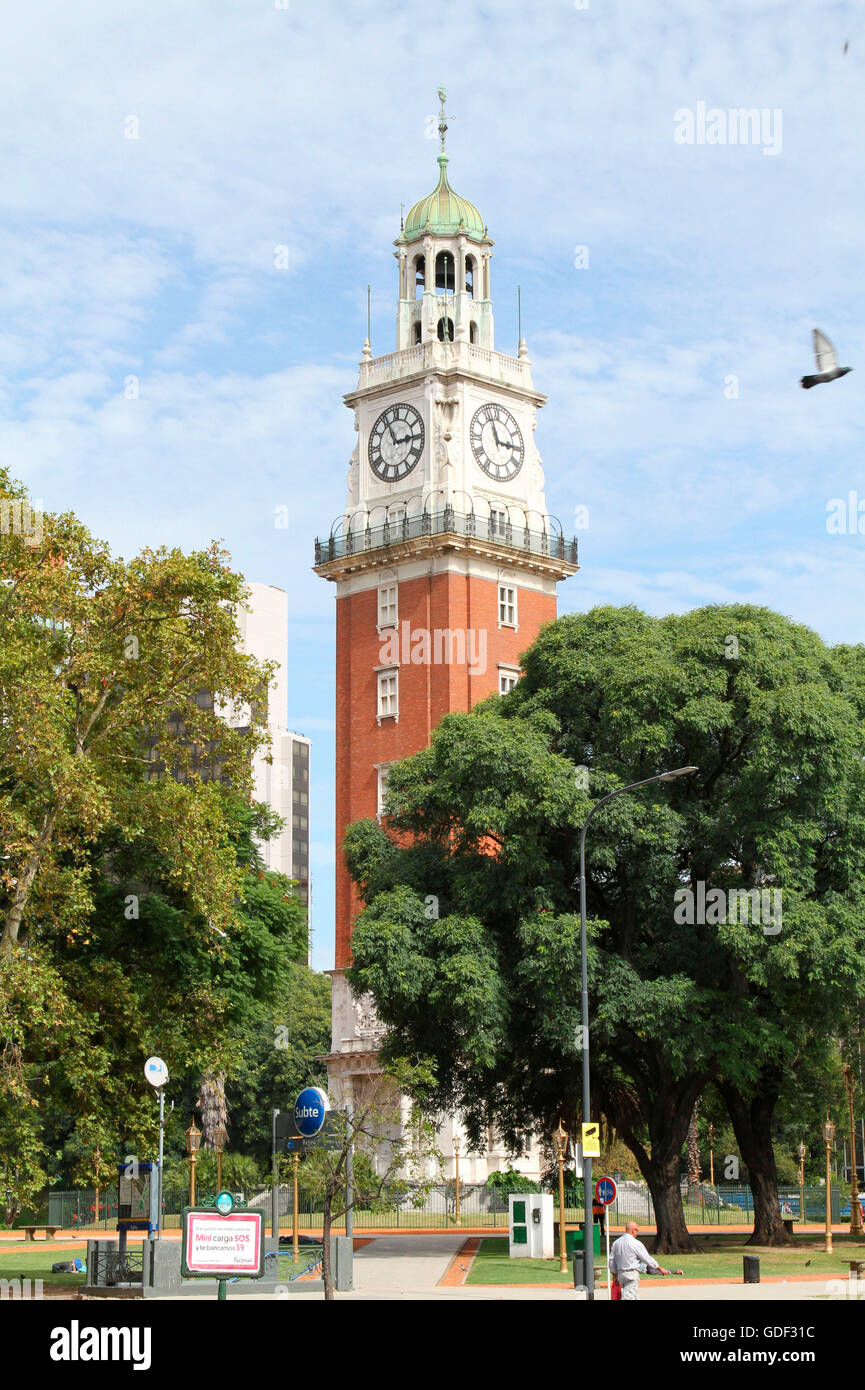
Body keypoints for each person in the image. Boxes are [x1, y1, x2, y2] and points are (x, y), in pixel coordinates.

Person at [608, 1220, 677, 1300]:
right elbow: (647, 1258)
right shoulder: (635, 1243)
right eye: (637, 1230)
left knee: (634, 1296)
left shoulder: (616, 1243)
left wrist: (615, 1275)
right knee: (628, 1297)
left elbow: (611, 1260)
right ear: (632, 1230)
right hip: (632, 1275)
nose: (637, 1233)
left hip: (621, 1275)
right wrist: (659, 1268)